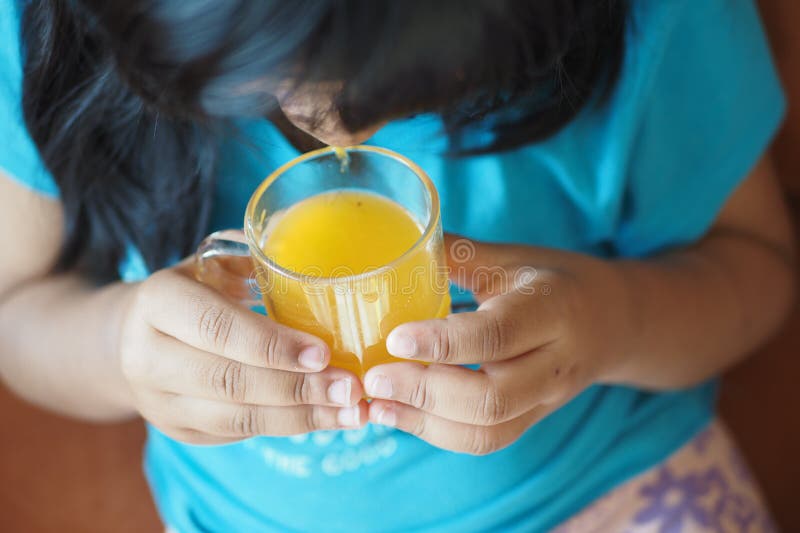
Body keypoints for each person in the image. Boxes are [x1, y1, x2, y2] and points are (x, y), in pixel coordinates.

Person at [0, 0, 791, 531]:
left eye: (403, 86)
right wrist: (118, 347)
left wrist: (606, 323)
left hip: (604, 484)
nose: (340, 128)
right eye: (275, 81)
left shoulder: (655, 22)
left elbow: (757, 267)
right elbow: (16, 314)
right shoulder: (45, 34)